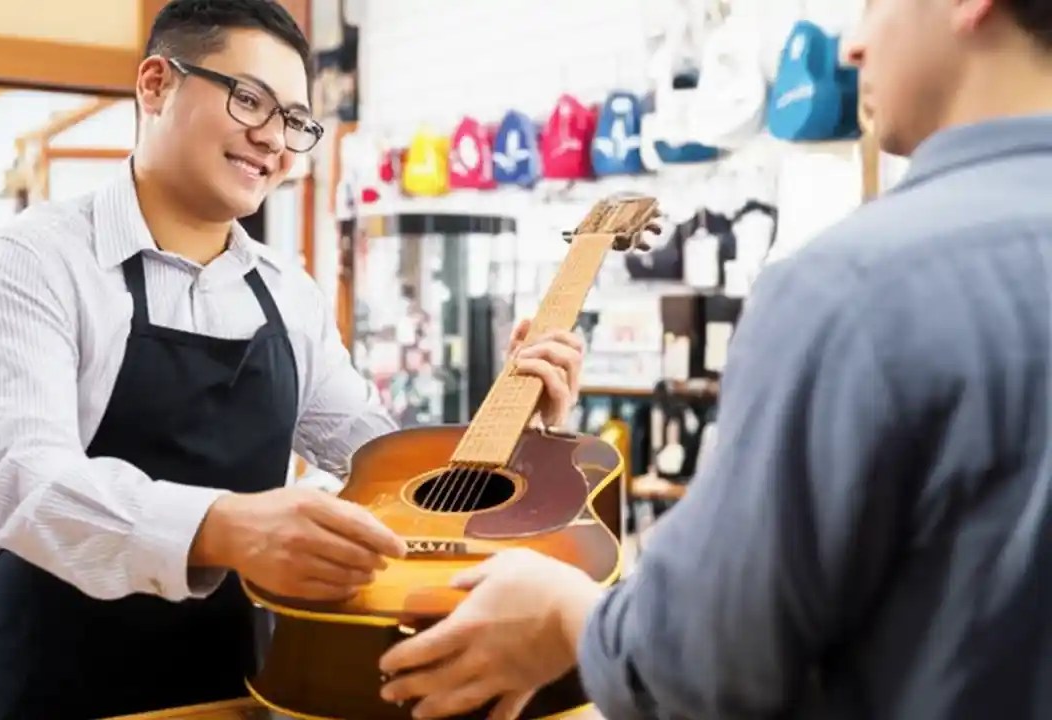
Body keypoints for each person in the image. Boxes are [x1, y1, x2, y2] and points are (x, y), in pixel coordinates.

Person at [377, 0, 1052, 718]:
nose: (853, 46)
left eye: (871, 4)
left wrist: (567, 617)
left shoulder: (848, 289)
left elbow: (711, 665)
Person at [0, 1, 586, 718]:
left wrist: (514, 437)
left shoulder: (289, 292)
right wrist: (229, 527)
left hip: (240, 681)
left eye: (295, 121)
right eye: (249, 100)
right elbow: (21, 483)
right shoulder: (33, 261)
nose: (274, 142)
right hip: (58, 681)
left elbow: (383, 466)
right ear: (156, 84)